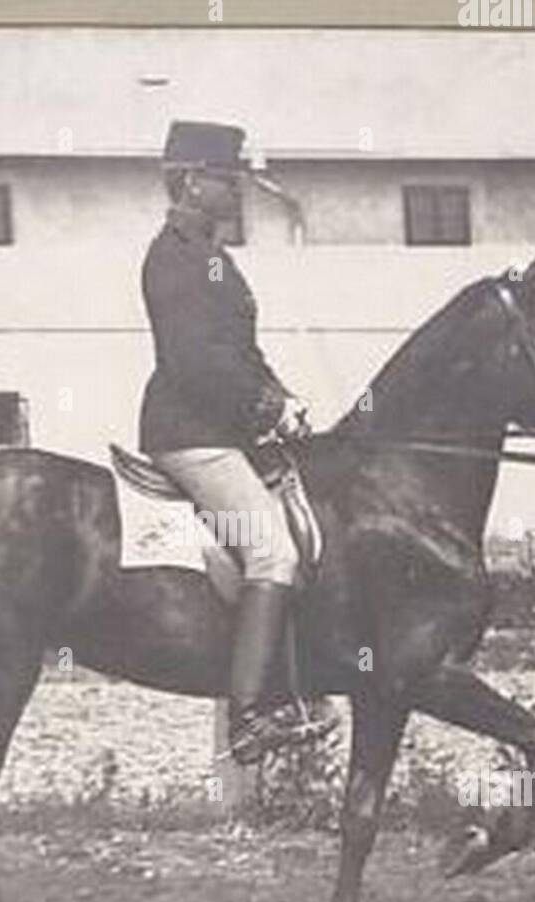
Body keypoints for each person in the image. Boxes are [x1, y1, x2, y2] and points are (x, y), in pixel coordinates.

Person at [139, 120, 333, 765]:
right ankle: (250, 716)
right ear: (194, 183)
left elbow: (242, 352)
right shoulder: (173, 257)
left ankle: (300, 684)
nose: (239, 189)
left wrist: (283, 400)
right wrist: (262, 407)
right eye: (228, 179)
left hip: (227, 428)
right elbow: (193, 362)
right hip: (192, 434)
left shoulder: (215, 258)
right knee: (272, 551)